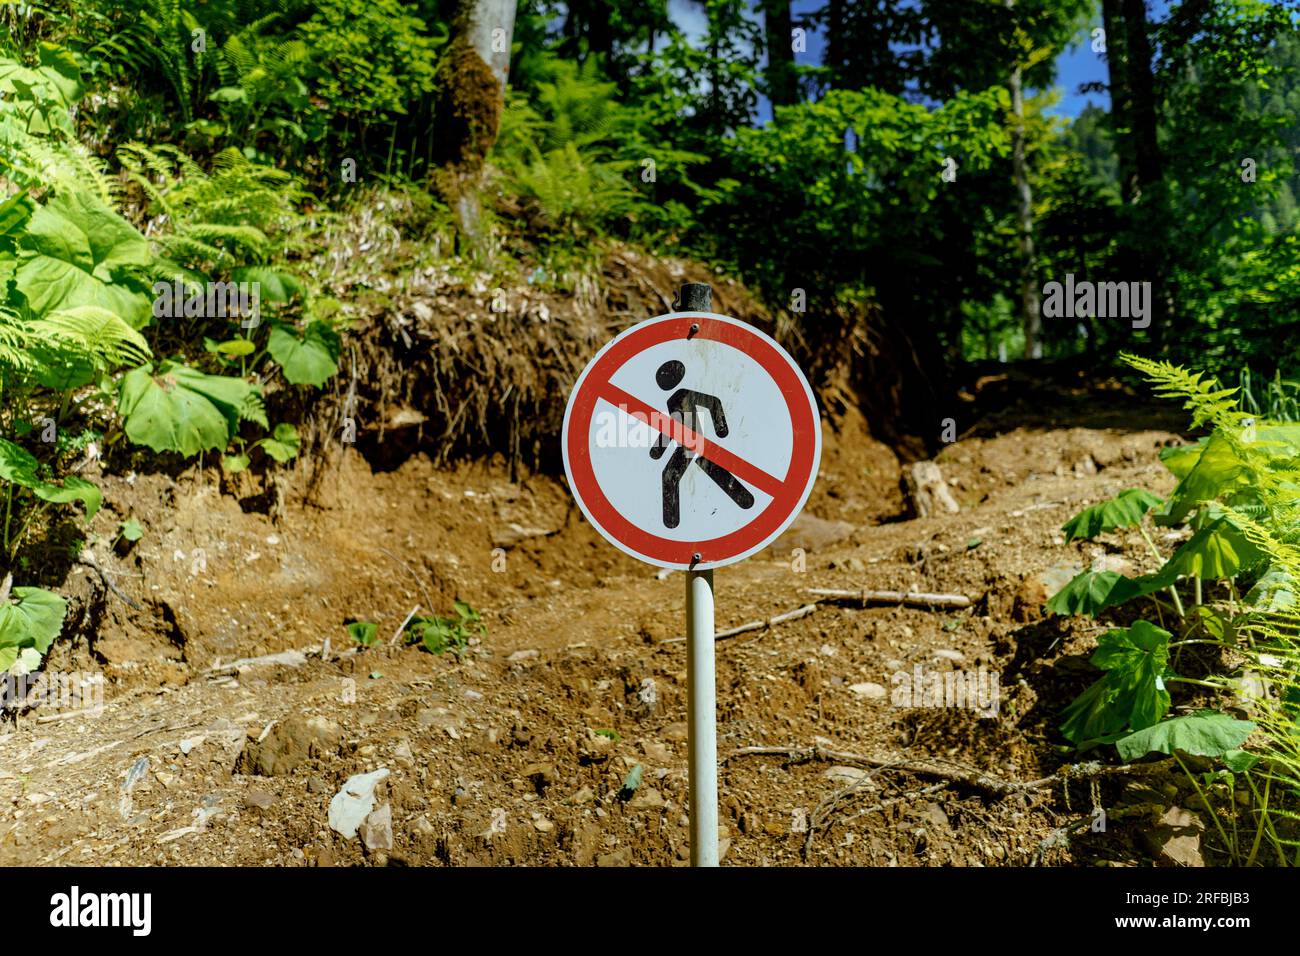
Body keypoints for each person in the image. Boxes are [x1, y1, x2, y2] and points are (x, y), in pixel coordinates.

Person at [650, 360, 755, 528]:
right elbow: (673, 426)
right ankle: (744, 499)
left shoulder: (682, 394)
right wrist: (658, 449)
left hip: (691, 444)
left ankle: (671, 522)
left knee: (671, 476)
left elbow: (713, 402)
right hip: (688, 444)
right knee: (712, 470)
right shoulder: (673, 400)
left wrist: (721, 428)